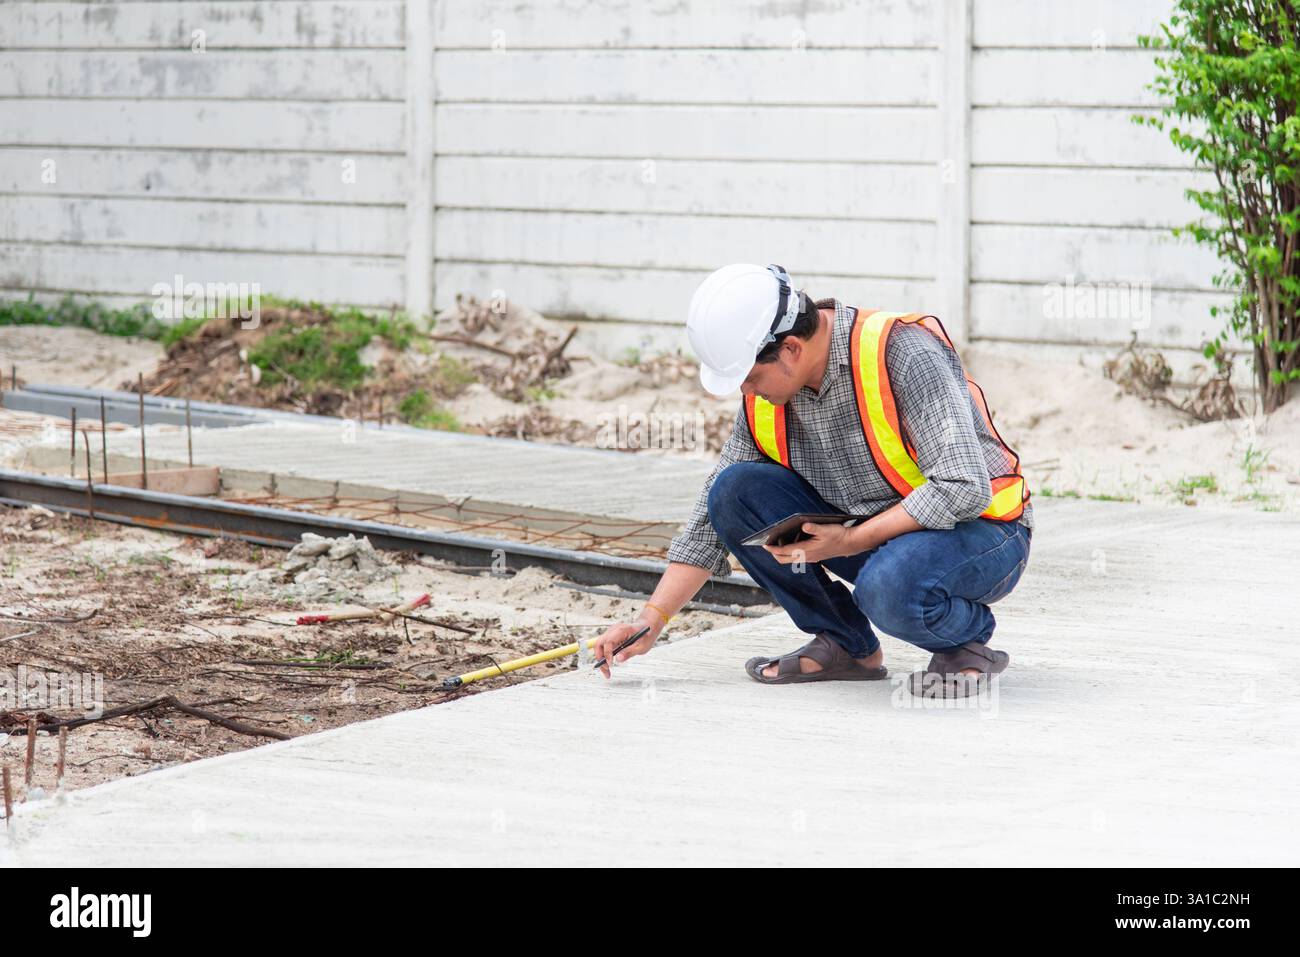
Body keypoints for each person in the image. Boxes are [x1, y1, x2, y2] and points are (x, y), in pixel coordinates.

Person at [592, 263, 1033, 697]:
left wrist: (851, 541)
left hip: (981, 532)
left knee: (889, 586)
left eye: (749, 377)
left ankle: (963, 643)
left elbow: (963, 487)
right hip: (876, 535)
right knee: (734, 492)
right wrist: (653, 617)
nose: (747, 391)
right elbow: (713, 511)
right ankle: (847, 646)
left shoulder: (903, 354)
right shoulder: (771, 393)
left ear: (790, 349)